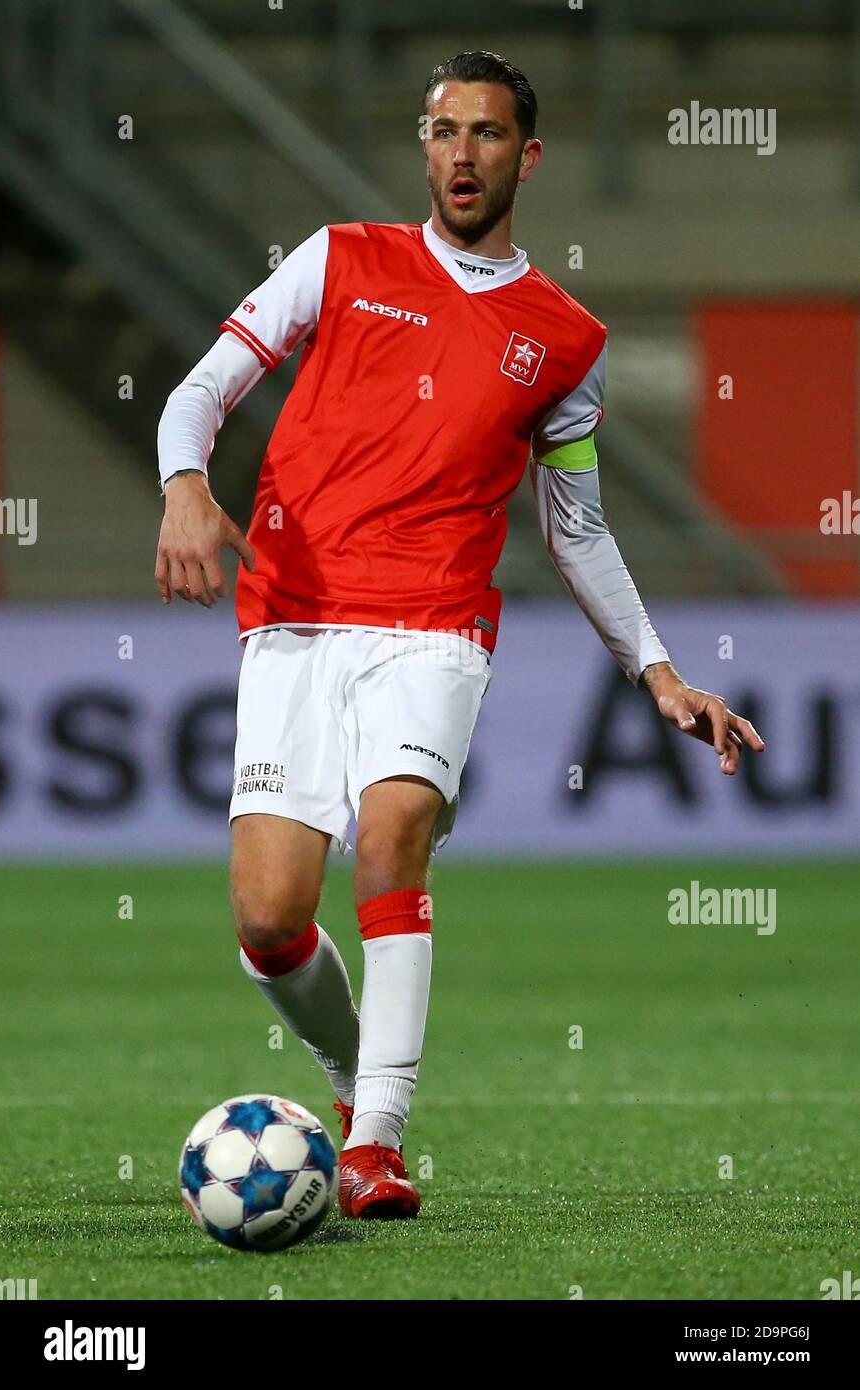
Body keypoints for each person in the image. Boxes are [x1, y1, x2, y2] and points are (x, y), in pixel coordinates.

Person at [154, 51, 764, 1220]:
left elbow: (575, 529)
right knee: (270, 920)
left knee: (391, 839)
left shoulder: (563, 341)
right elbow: (198, 392)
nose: (462, 154)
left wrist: (658, 670)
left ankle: (377, 1140)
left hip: (433, 623)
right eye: (442, 131)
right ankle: (347, 1075)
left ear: (524, 156)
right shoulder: (340, 260)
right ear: (423, 145)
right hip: (290, 614)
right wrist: (186, 482)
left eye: (486, 135)